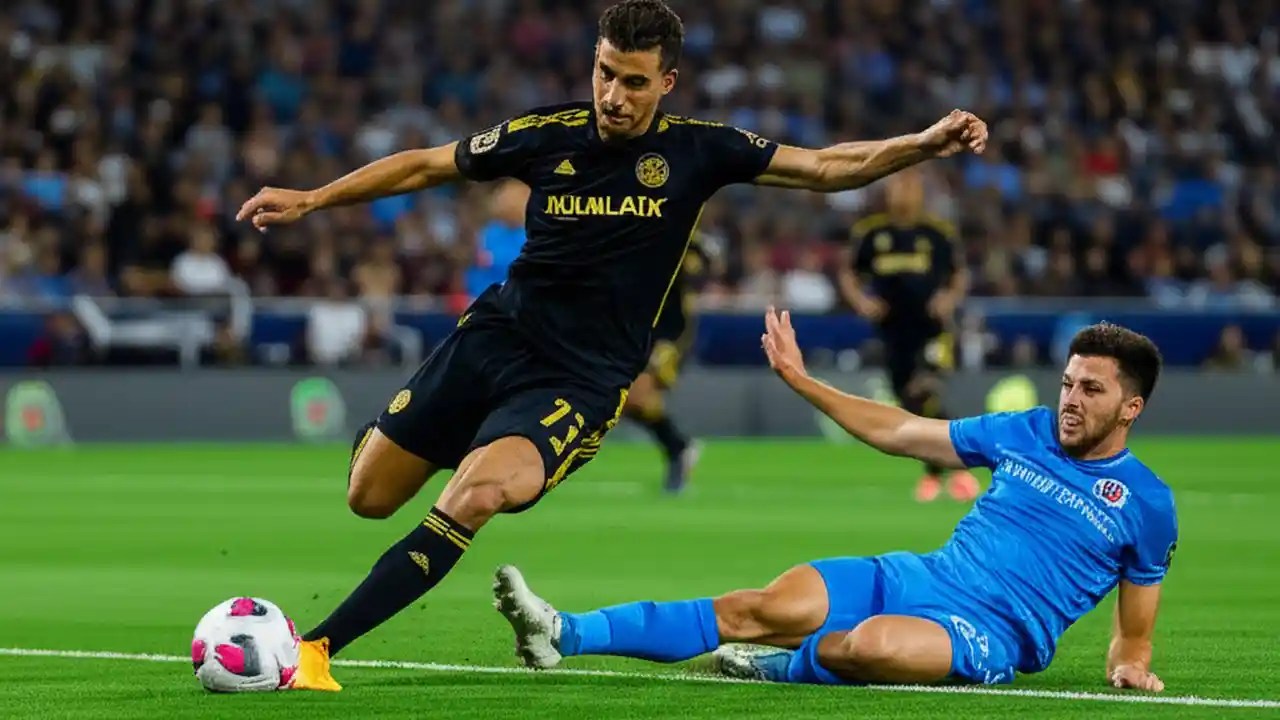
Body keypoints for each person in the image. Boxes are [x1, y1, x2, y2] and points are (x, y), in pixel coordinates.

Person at [235, 0, 988, 692]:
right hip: (494, 339)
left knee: (478, 493)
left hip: (581, 379)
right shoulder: (544, 136)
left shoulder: (700, 152)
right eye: (604, 74)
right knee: (368, 497)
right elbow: (431, 162)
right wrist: (313, 197)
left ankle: (315, 650)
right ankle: (418, 434)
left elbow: (826, 167)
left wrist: (921, 144)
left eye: (633, 81)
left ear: (666, 81)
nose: (613, 95)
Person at [494, 315, 1175, 693]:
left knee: (866, 646)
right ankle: (565, 634)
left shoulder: (1146, 503)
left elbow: (1136, 627)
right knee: (756, 608)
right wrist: (802, 381)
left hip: (993, 632)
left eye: (1091, 390)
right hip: (921, 576)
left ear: (1131, 407)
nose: (1070, 400)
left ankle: (782, 666)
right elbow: (902, 431)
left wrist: (1128, 663)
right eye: (1067, 384)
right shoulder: (1024, 431)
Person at [838, 170, 977, 502]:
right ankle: (939, 471)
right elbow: (849, 273)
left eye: (910, 186)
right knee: (913, 405)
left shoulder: (936, 234)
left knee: (925, 391)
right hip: (892, 332)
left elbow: (958, 274)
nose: (903, 193)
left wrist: (947, 298)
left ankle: (956, 470)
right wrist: (861, 301)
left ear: (920, 194)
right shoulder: (871, 234)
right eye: (897, 187)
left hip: (931, 329)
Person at [621, 235, 712, 493]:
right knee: (631, 400)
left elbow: (699, 278)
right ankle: (679, 447)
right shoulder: (637, 231)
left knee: (636, 396)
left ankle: (678, 448)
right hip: (639, 330)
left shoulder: (691, 244)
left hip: (671, 333)